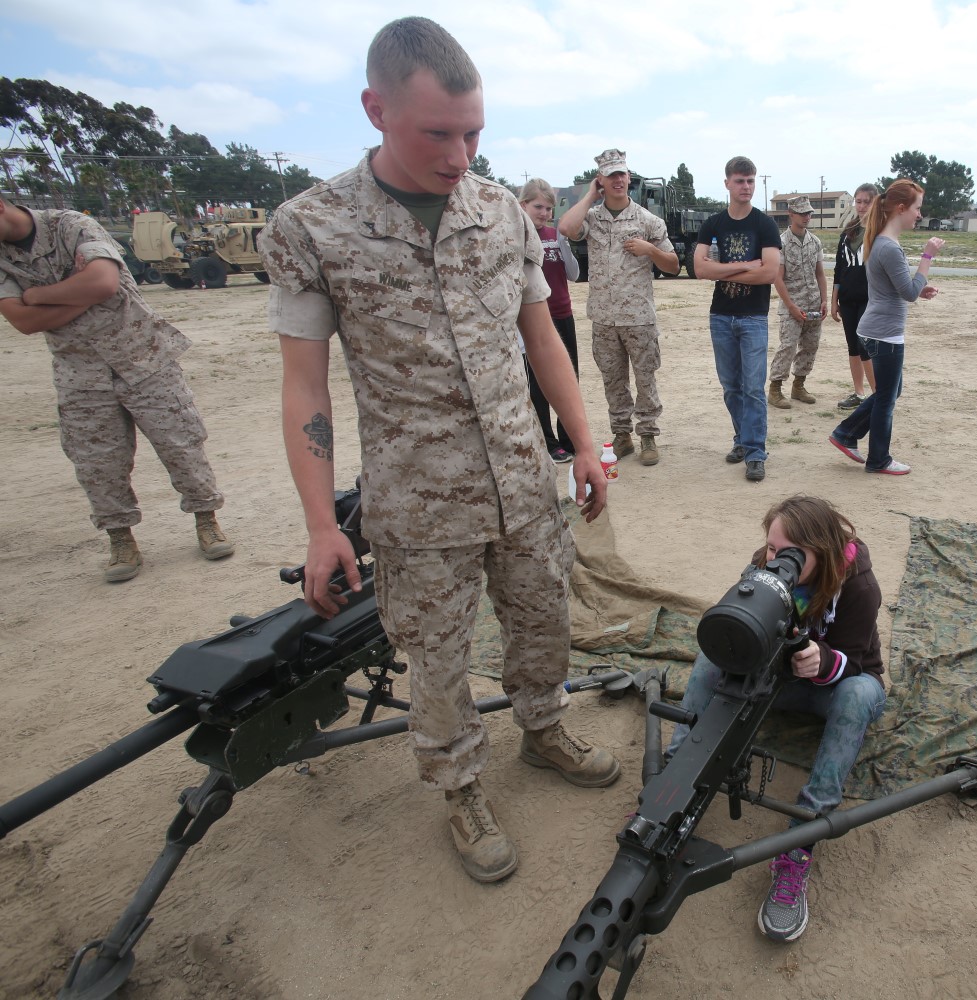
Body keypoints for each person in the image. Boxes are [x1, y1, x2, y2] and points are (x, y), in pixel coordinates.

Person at [261, 16, 619, 885]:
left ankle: (541, 730)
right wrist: (320, 527)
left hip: (522, 479)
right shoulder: (311, 227)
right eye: (438, 134)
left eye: (474, 133)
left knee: (541, 618)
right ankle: (460, 784)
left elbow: (543, 340)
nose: (461, 155)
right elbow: (305, 387)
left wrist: (584, 446)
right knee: (440, 654)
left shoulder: (501, 214)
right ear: (375, 109)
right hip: (420, 500)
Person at [666, 494, 886, 942]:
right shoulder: (766, 568)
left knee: (860, 695)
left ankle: (801, 839)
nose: (776, 558)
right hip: (779, 681)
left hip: (837, 684)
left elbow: (860, 664)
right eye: (771, 547)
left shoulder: (859, 586)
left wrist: (823, 662)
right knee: (710, 661)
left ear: (822, 550)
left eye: (789, 551)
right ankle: (672, 785)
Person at [0, 195, 234, 583]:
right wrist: (79, 293)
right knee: (97, 461)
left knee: (181, 444)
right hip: (80, 372)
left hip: (144, 357)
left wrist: (39, 295)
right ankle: (121, 539)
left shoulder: (70, 225)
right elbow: (22, 321)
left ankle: (206, 520)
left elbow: (104, 282)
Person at [558, 148, 679, 466]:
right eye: (610, 175)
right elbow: (567, 229)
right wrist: (588, 196)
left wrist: (650, 249)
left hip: (638, 318)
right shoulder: (592, 219)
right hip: (604, 319)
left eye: (621, 174)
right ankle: (622, 436)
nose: (618, 180)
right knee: (613, 380)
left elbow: (673, 266)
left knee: (645, 378)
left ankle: (648, 435)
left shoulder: (647, 220)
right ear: (601, 180)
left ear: (629, 177)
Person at [826, 179, 942, 476]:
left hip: (876, 328)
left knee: (890, 391)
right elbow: (908, 293)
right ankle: (878, 458)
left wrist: (920, 286)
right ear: (901, 208)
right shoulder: (888, 246)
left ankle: (846, 433)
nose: (919, 214)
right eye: (916, 208)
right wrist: (927, 257)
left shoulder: (881, 241)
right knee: (887, 398)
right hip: (884, 332)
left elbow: (901, 287)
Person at [693, 156, 783, 482]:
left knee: (754, 389)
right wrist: (747, 266)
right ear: (727, 183)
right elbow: (700, 269)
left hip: (754, 318)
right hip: (721, 317)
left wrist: (724, 271)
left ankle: (756, 453)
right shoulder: (713, 224)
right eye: (740, 180)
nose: (746, 186)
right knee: (731, 387)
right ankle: (742, 441)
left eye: (750, 181)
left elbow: (771, 272)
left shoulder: (765, 224)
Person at [519, 178, 581, 463]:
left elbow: (574, 274)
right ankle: (547, 441)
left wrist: (563, 243)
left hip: (563, 313)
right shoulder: (515, 237)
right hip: (533, 319)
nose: (543, 213)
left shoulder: (555, 234)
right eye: (538, 207)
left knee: (569, 378)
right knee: (540, 384)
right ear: (523, 205)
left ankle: (568, 438)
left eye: (548, 208)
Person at [768, 195, 828, 409]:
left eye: (809, 213)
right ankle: (775, 389)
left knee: (810, 346)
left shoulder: (815, 242)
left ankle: (799, 386)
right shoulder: (781, 243)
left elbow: (820, 274)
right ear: (791, 214)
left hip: (812, 304)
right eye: (802, 213)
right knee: (788, 346)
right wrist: (791, 306)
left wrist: (824, 300)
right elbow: (777, 277)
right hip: (791, 305)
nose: (807, 217)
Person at [831, 183, 880, 410]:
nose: (861, 206)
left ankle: (877, 394)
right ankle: (859, 393)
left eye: (866, 201)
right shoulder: (848, 231)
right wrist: (834, 300)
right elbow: (839, 269)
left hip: (870, 298)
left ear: (876, 202)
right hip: (848, 298)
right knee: (853, 346)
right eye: (858, 201)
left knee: (865, 346)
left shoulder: (880, 230)